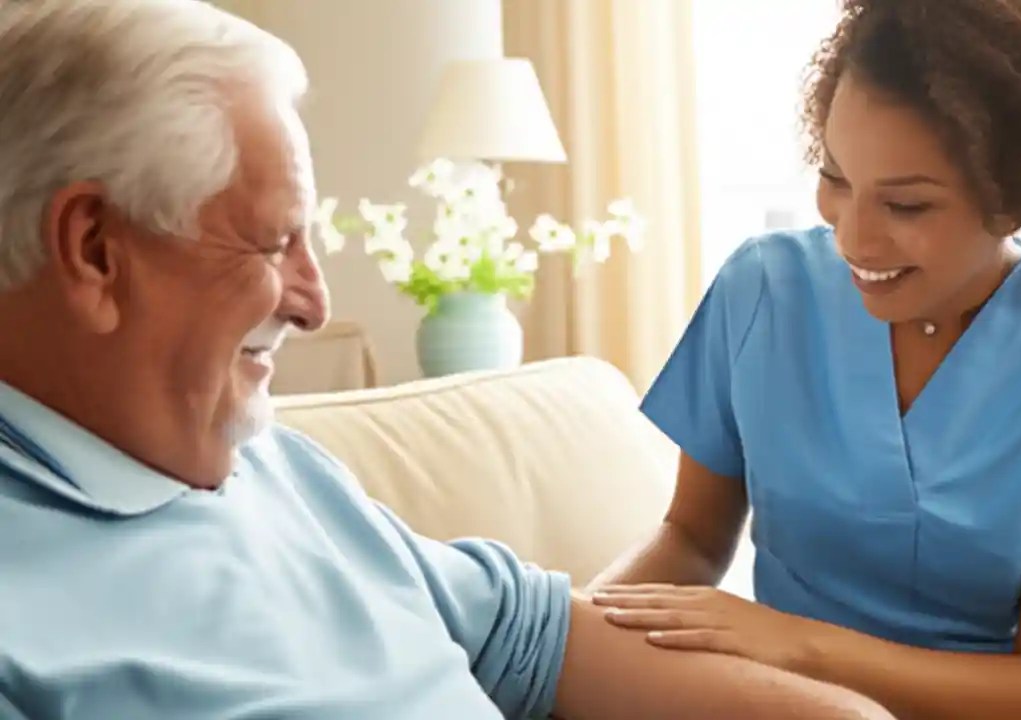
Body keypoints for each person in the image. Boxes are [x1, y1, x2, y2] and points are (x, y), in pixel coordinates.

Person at [0, 2, 898, 719]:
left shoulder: (277, 468)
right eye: (273, 244)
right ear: (95, 250)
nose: (314, 302)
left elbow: (533, 635)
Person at [589, 1, 1021, 719]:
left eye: (906, 206)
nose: (853, 238)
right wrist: (565, 635)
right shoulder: (764, 290)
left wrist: (795, 646)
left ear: (1015, 197)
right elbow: (691, 537)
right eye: (836, 178)